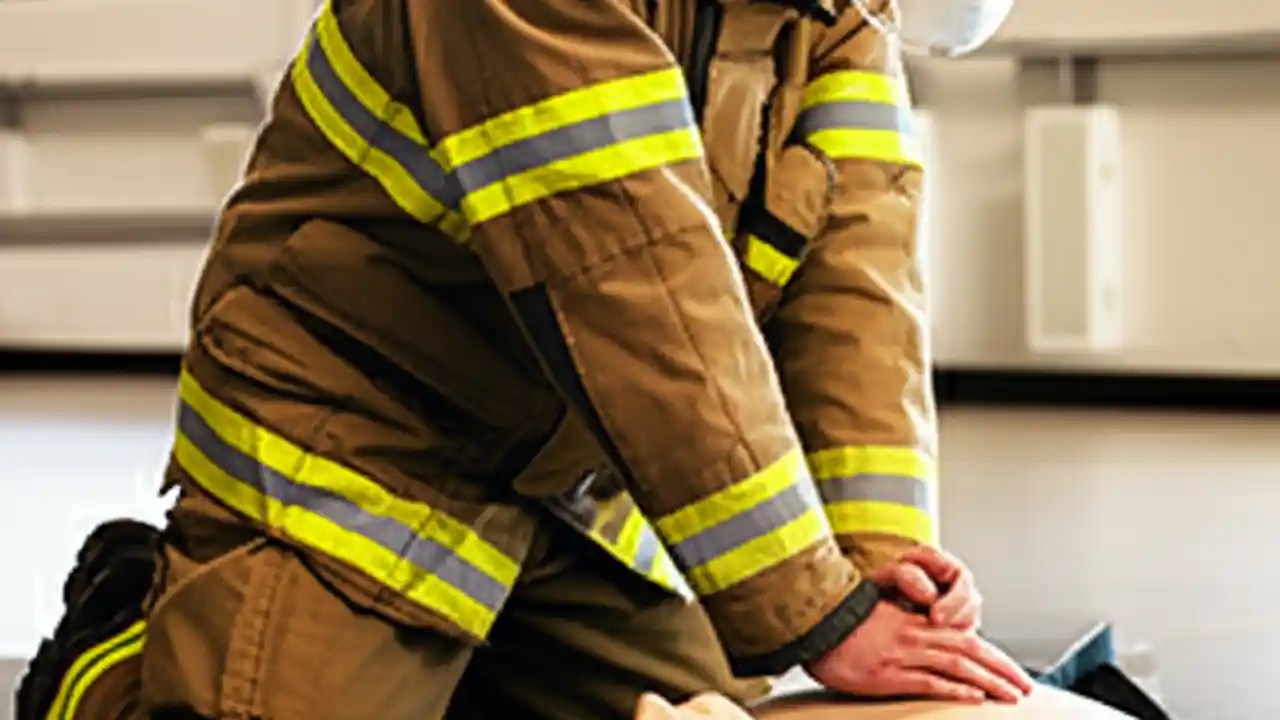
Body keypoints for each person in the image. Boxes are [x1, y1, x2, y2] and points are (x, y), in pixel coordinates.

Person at [16, 1, 1033, 719]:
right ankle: (114, 661)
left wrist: (876, 564)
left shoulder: (837, 12)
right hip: (360, 446)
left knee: (715, 705)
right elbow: (633, 271)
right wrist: (812, 608)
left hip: (573, 474)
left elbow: (858, 281)